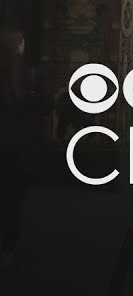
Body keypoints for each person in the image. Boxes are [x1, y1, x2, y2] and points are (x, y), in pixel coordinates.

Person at [0, 27, 52, 271]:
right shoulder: (32, 75)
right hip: (19, 149)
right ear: (20, 47)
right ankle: (7, 249)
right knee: (13, 200)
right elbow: (46, 107)